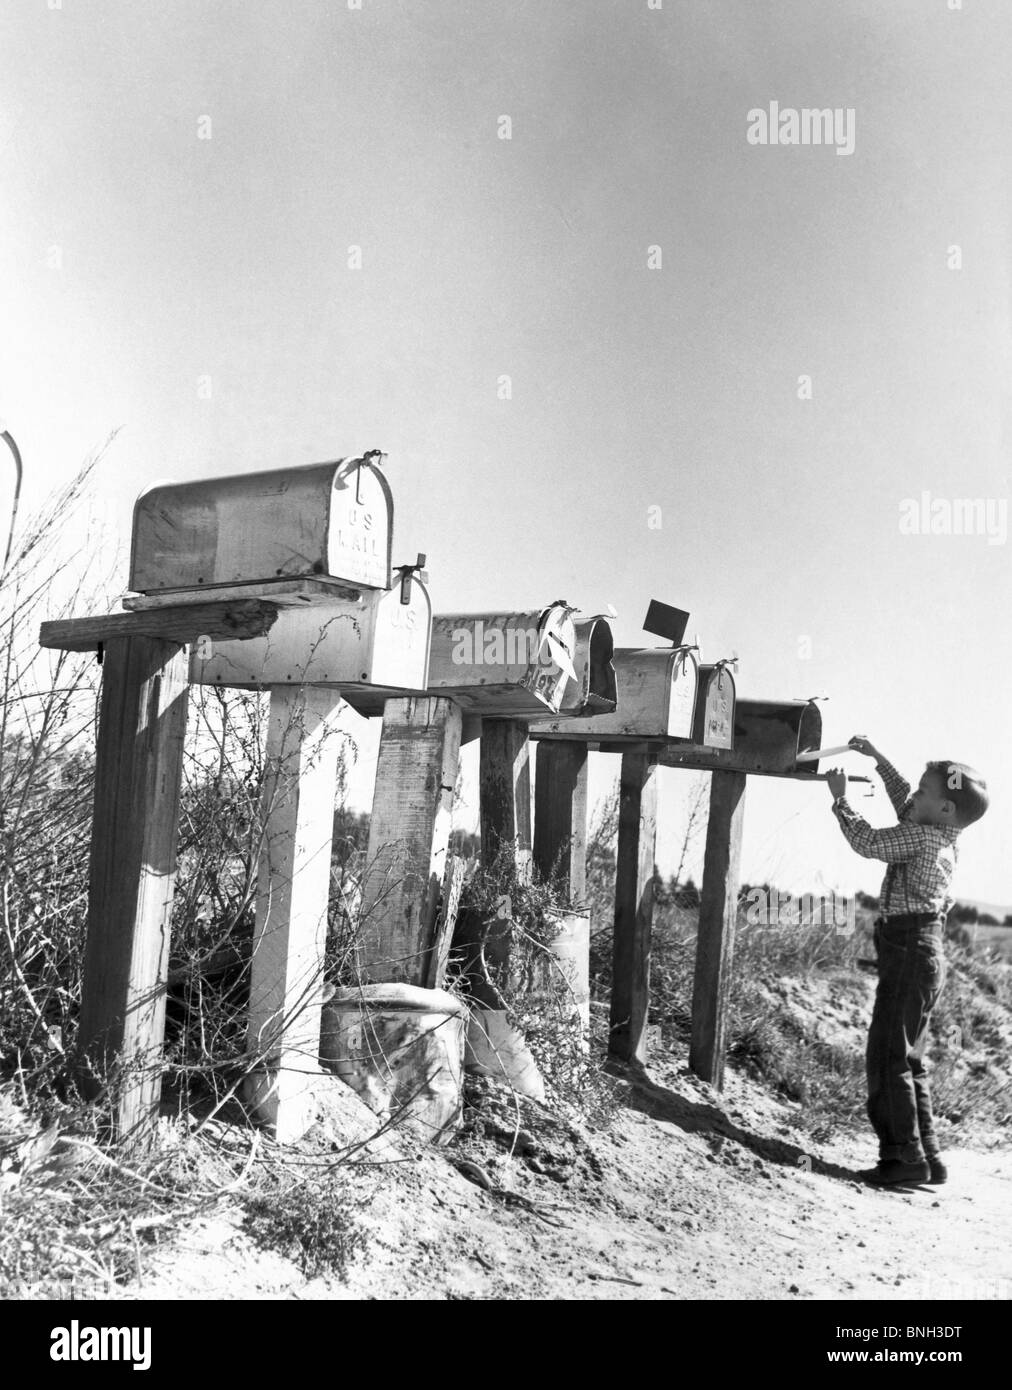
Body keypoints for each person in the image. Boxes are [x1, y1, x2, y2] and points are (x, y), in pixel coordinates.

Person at [826, 736, 989, 1187]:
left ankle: (902, 1159)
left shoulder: (918, 835)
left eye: (923, 791)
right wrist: (879, 762)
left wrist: (841, 802)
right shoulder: (941, 832)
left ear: (945, 810)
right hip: (925, 949)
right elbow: (907, 802)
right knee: (909, 1057)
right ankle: (927, 1158)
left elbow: (868, 841)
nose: (911, 795)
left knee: (886, 1056)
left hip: (907, 948)